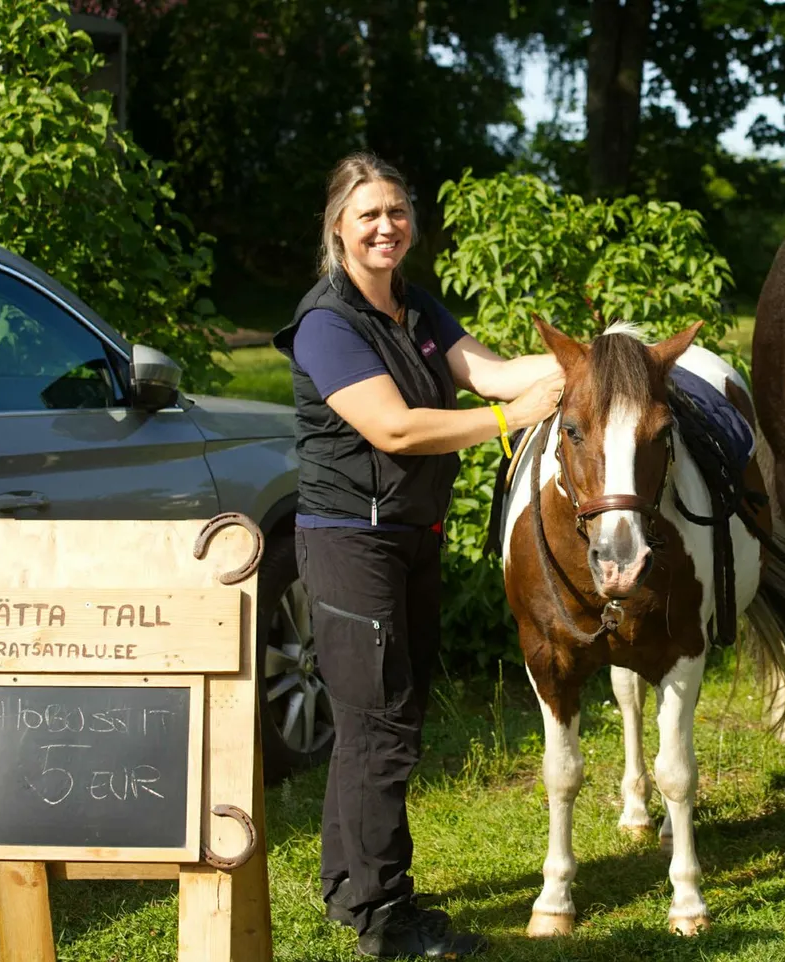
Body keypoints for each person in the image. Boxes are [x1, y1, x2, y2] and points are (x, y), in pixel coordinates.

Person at [272, 152, 563, 959]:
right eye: (367, 214)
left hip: (411, 535)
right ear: (338, 226)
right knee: (380, 725)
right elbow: (395, 428)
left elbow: (498, 373)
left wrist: (593, 359)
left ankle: (345, 887)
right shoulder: (326, 323)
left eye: (396, 212)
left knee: (384, 716)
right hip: (348, 540)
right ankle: (383, 917)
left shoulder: (415, 308)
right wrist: (507, 425)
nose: (385, 226)